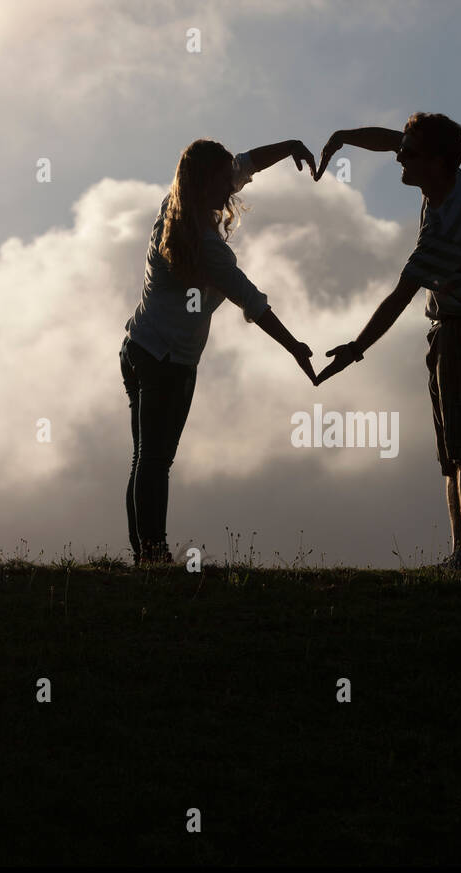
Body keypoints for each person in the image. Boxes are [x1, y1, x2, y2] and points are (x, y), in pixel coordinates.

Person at [313, 113, 461, 571]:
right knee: (452, 456)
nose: (399, 156)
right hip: (452, 327)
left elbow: (401, 294)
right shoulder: (443, 179)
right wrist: (344, 137)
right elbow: (391, 141)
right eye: (404, 148)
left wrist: (355, 349)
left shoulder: (447, 224)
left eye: (412, 152)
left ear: (439, 163)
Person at [120, 138, 318, 566]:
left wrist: (289, 148)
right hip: (167, 361)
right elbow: (252, 300)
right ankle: (153, 554)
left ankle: (147, 554)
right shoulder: (206, 247)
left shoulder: (172, 209)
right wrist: (296, 348)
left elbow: (246, 165)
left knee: (145, 458)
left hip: (139, 348)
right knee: (155, 459)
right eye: (223, 179)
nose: (233, 185)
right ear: (205, 181)